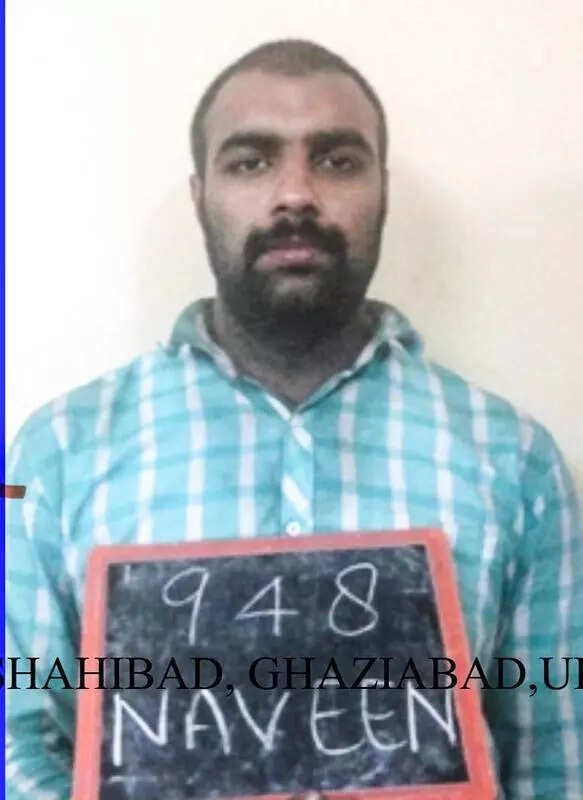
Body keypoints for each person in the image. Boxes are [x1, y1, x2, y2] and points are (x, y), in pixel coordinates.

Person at [5, 39, 582, 800]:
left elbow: (556, 762)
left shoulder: (512, 458)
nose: (295, 194)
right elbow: (14, 739)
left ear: (383, 192)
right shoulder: (57, 452)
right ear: (199, 196)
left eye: (337, 161)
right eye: (251, 162)